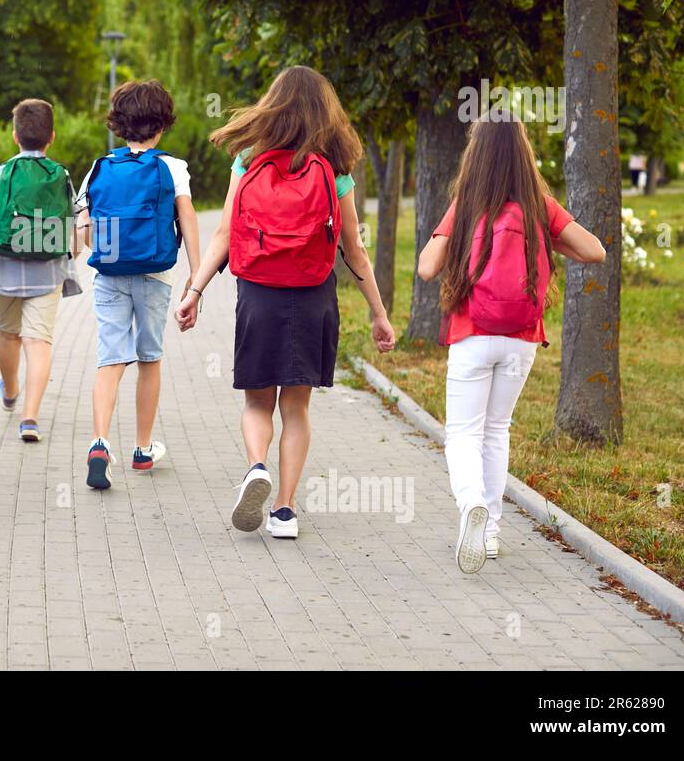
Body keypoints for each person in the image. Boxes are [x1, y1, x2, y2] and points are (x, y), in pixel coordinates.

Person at [175, 65, 394, 538]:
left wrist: (194, 290)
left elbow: (225, 233)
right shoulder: (333, 168)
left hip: (258, 293)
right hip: (313, 294)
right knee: (296, 408)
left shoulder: (249, 160)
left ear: (273, 104)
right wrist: (378, 313)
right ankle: (285, 511)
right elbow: (353, 249)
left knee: (257, 402)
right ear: (324, 111)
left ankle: (257, 467)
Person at [417, 112, 604, 573]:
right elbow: (594, 251)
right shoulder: (540, 205)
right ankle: (493, 530)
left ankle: (470, 509)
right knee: (497, 429)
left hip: (472, 333)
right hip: (520, 337)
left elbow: (426, 267)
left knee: (463, 432)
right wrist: (546, 240)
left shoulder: (468, 203)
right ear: (523, 154)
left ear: (475, 155)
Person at [75, 79, 200, 489]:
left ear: (118, 124)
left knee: (110, 358)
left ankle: (99, 442)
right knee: (149, 357)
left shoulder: (99, 167)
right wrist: (196, 280)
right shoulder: (172, 167)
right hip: (155, 275)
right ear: (162, 123)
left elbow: (85, 229)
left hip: (109, 275)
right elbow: (188, 221)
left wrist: (109, 246)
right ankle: (143, 449)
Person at [0, 98, 76, 442]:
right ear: (52, 137)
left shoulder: (1, 174)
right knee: (38, 341)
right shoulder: (61, 175)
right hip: (47, 270)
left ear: (15, 135)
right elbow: (73, 227)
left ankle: (11, 390)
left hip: (4, 267)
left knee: (8, 334)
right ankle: (30, 417)